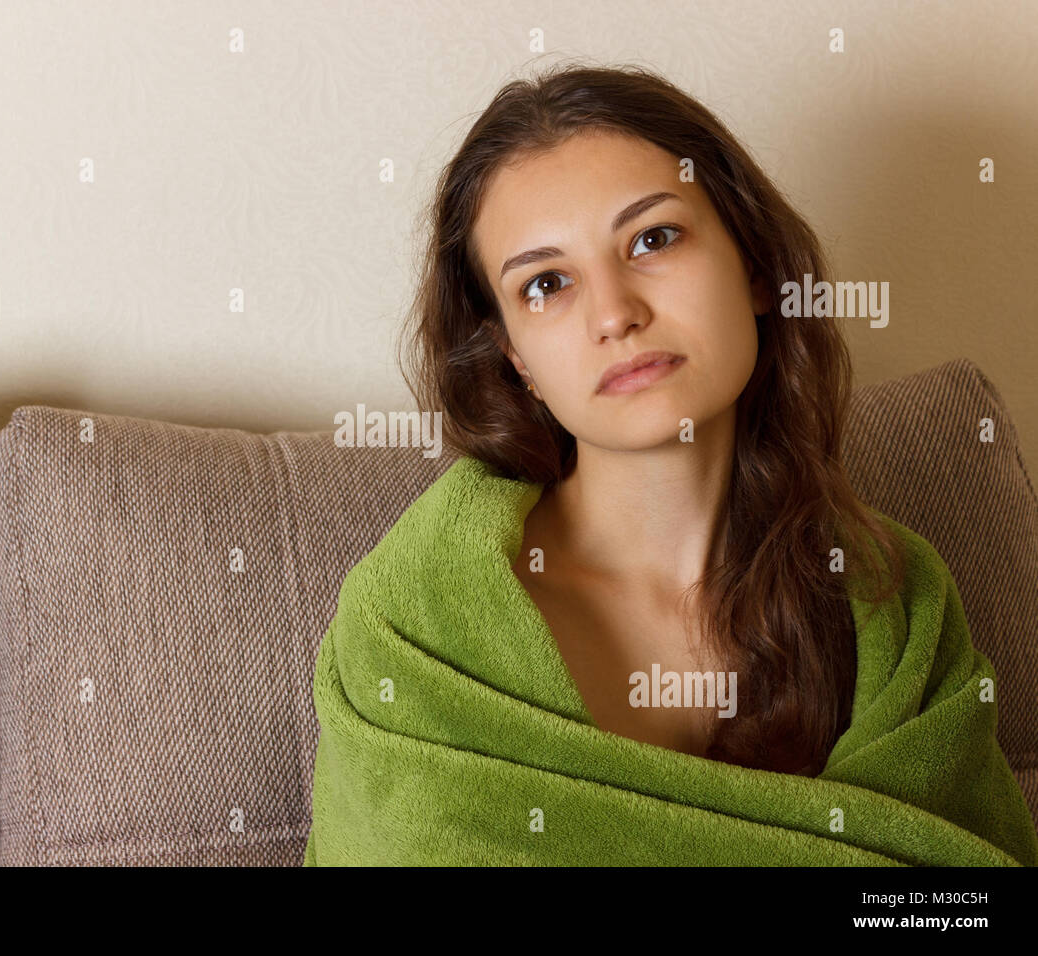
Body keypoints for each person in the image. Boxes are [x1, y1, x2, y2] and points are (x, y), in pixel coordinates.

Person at [303, 62, 1038, 866]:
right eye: (547, 284)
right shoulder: (411, 627)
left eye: (653, 238)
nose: (616, 313)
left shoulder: (893, 601)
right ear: (514, 354)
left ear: (754, 267)